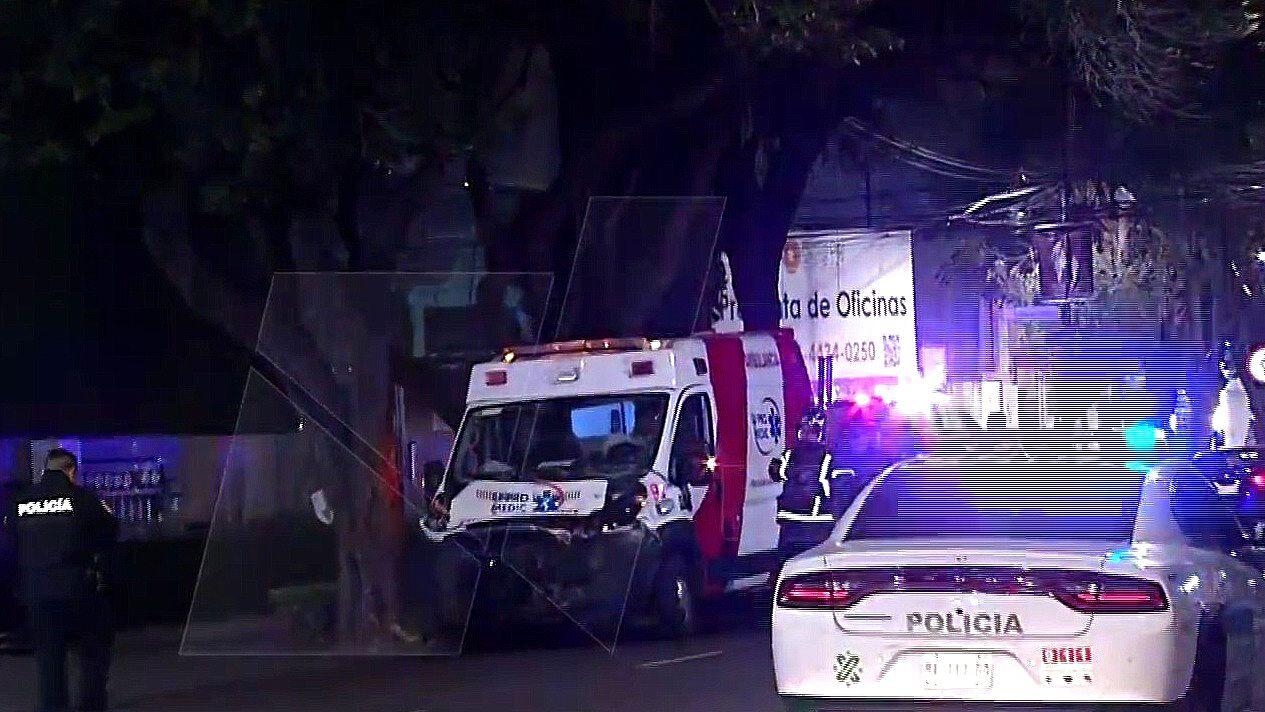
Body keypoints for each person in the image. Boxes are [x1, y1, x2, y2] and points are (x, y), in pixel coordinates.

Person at [8, 449, 118, 712]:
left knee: (49, 662)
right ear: (71, 470)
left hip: (38, 594)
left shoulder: (20, 501)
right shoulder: (83, 499)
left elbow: (10, 545)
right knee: (92, 657)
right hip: (78, 591)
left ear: (45, 469)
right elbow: (109, 533)